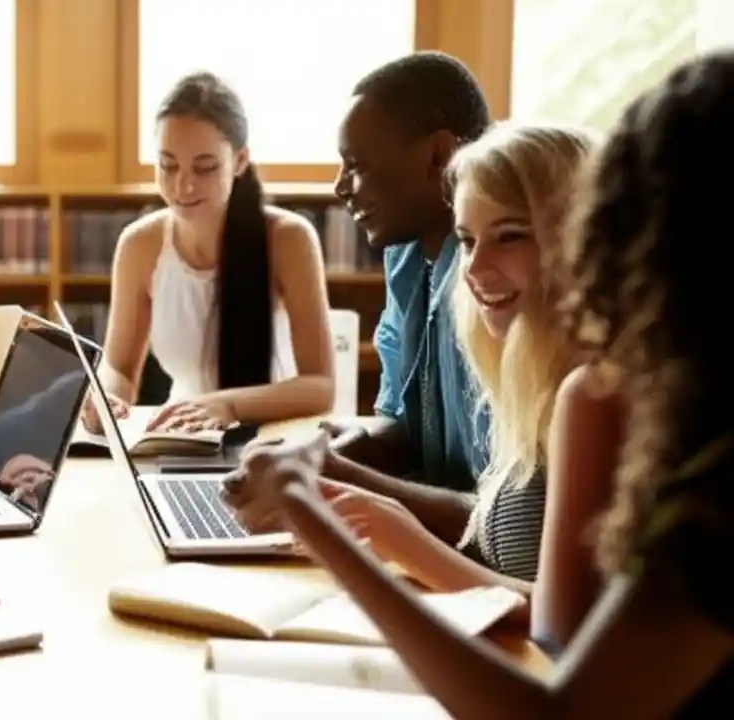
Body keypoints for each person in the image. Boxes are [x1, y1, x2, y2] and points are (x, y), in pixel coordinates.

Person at [225, 50, 734, 718]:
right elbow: (563, 622)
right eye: (467, 240)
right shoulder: (672, 418)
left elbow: (557, 702)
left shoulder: (649, 431)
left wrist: (328, 527)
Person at [275, 124, 620, 648]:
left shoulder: (599, 394)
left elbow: (567, 626)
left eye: (510, 236)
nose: (476, 267)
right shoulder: (533, 381)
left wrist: (400, 538)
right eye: (467, 240)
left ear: (578, 238)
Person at [233, 51, 495, 549]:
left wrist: (325, 476)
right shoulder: (405, 257)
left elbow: (496, 523)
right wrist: (332, 453)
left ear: (440, 156)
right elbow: (406, 428)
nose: (339, 187)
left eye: (356, 165)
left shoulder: (495, 286)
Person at [83, 71, 335, 435]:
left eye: (205, 167)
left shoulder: (289, 239)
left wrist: (227, 405)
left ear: (240, 160)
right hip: (180, 437)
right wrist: (105, 396)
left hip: (273, 438)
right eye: (167, 165)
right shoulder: (139, 244)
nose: (183, 185)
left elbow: (320, 386)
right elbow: (119, 370)